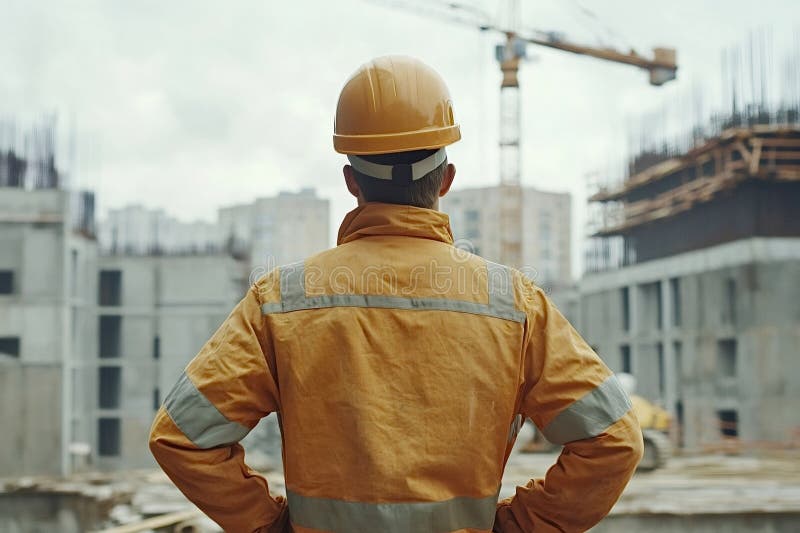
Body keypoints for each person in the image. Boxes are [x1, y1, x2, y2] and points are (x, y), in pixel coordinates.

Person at [149, 55, 643, 533]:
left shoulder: (280, 301)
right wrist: (520, 525)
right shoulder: (513, 304)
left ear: (351, 181)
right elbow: (614, 440)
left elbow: (181, 436)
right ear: (446, 180)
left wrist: (267, 523)